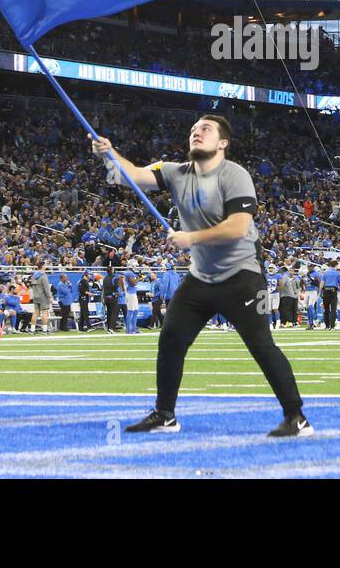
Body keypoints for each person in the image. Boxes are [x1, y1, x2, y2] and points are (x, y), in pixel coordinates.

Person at [94, 114, 311, 437]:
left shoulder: (235, 175)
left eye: (205, 130)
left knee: (262, 346)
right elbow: (133, 176)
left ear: (223, 143)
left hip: (243, 276)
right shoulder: (175, 172)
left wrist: (191, 238)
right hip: (201, 278)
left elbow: (238, 227)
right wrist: (109, 153)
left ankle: (296, 417)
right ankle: (165, 414)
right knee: (171, 339)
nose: (196, 133)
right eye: (193, 130)